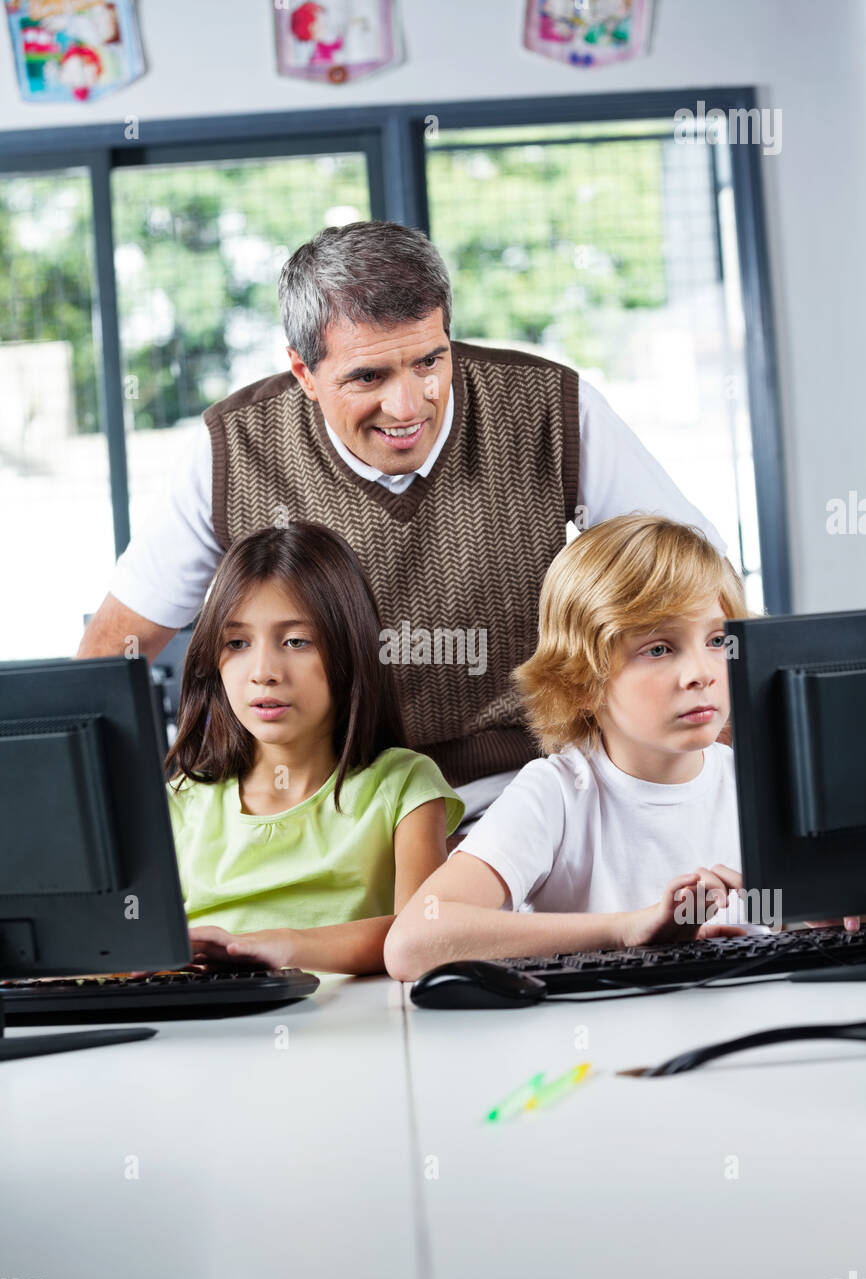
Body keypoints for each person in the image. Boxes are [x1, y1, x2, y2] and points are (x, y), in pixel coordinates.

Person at [78, 220, 729, 828]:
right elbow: (112, 653)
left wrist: (730, 798)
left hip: (530, 784)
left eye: (428, 361)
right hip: (332, 801)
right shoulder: (235, 446)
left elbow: (705, 591)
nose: (407, 404)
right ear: (304, 371)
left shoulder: (549, 407)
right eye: (369, 375)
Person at [383, 514, 862, 982]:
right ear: (582, 682)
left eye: (717, 640)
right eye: (659, 648)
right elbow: (411, 944)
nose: (703, 673)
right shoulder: (556, 794)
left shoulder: (762, 782)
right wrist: (628, 929)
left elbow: (794, 923)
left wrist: (820, 919)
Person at [165, 521, 464, 976]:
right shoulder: (180, 803)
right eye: (237, 643)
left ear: (349, 652)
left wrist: (287, 946)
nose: (263, 671)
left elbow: (422, 936)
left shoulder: (404, 786)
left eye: (296, 641)